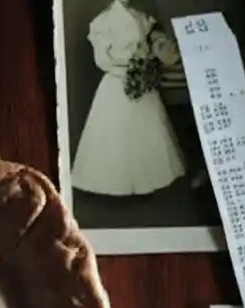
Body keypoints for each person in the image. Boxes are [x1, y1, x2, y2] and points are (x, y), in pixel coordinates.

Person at [71, 0, 186, 196]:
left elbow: (154, 47)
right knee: (115, 131)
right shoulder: (102, 22)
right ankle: (113, 183)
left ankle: (153, 179)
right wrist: (129, 65)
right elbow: (102, 59)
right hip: (116, 82)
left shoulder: (142, 18)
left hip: (140, 80)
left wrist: (146, 62)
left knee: (148, 127)